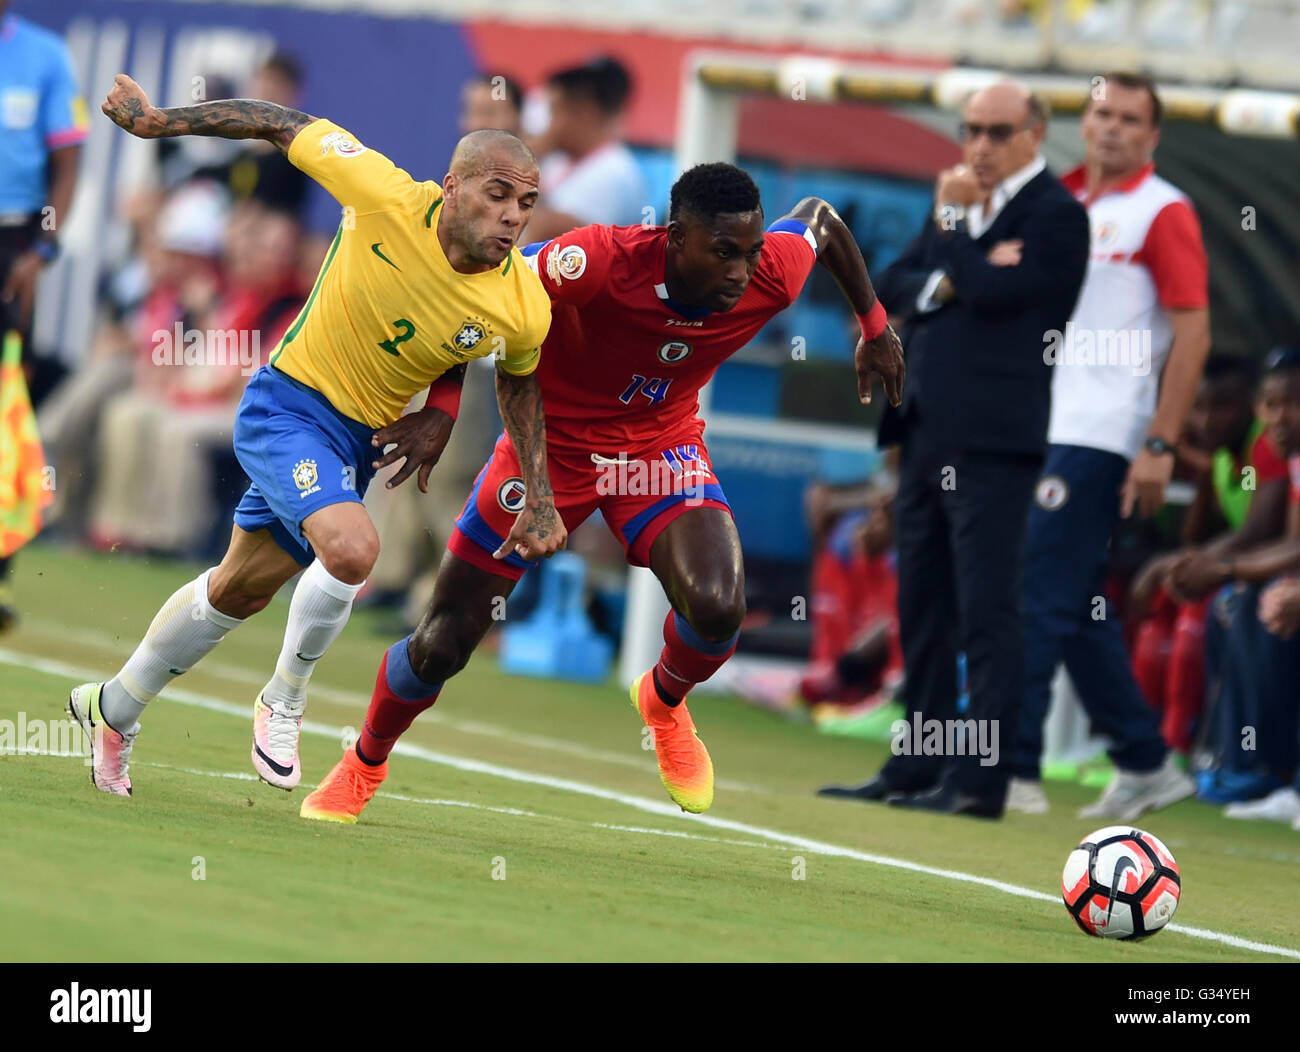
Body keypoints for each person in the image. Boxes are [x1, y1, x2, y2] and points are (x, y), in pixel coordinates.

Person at [296, 163, 905, 823]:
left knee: (719, 606)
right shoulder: (594, 262)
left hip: (657, 448)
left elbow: (821, 216)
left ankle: (664, 702)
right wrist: (449, 411)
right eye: (723, 252)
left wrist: (875, 328)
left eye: (751, 251)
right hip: (548, 448)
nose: (741, 271)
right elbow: (479, 297)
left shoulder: (772, 274)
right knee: (443, 640)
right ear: (675, 238)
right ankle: (364, 761)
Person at [67, 73, 562, 797]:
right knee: (356, 548)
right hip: (288, 406)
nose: (514, 215)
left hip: (356, 442)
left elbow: (511, 371)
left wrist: (468, 430)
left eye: (527, 202)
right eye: (497, 194)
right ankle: (285, 698)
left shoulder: (521, 302)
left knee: (236, 591)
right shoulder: (381, 192)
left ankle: (111, 709)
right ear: (450, 188)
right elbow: (277, 120)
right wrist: (157, 122)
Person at [818, 80, 1089, 818]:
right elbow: (898, 283)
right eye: (972, 129)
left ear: (1036, 134)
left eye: (998, 131)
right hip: (925, 431)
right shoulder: (967, 211)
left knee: (988, 612)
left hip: (995, 444)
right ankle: (920, 762)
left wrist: (955, 240)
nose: (980, 146)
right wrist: (961, 266)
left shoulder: (1059, 216)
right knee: (924, 605)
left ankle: (981, 780)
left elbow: (1005, 298)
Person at [1001, 72, 1210, 819]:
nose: (1113, 127)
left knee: (1037, 595)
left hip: (1102, 432)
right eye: (1101, 113)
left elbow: (1193, 334)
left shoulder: (1164, 211)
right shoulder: (1058, 201)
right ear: (1081, 124)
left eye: (1130, 118)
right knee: (1074, 602)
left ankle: (1013, 769)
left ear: (1152, 136)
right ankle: (1144, 758)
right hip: (1040, 426)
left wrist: (1157, 441)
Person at [1127, 354, 1290, 754]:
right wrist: (1179, 565)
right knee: (1164, 607)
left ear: (1248, 405)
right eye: (1198, 407)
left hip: (1266, 570)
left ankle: (1186, 745)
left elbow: (1256, 532)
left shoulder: (1264, 448)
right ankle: (1144, 739)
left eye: (1222, 406)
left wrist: (1180, 566)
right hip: (1250, 565)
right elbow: (1196, 534)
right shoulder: (1221, 458)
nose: (1206, 420)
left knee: (1208, 609)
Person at [0, 0, 86, 628]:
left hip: (13, 246)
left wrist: (45, 246)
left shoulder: (45, 56)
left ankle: (0, 575)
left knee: (6, 412)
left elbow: (67, 164)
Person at [523, 56, 647, 242]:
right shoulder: (560, 161)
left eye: (554, 111)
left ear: (585, 112)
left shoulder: (612, 173)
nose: (546, 124)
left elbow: (543, 236)